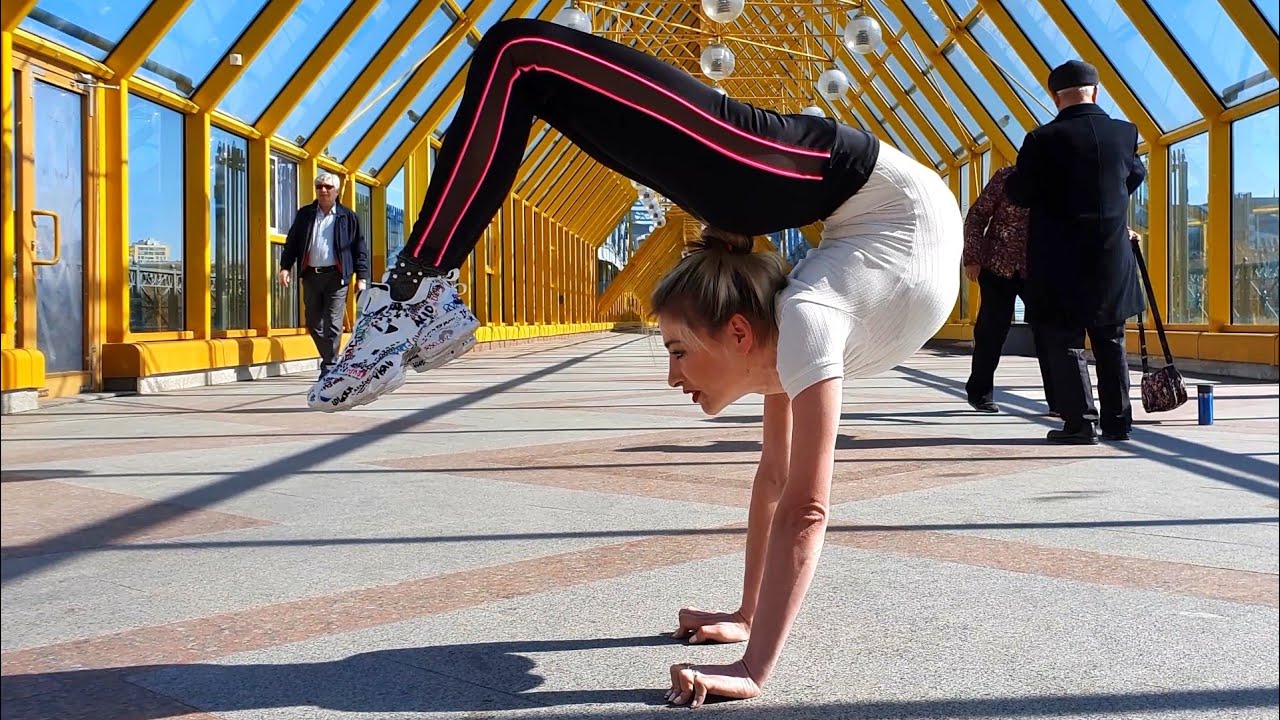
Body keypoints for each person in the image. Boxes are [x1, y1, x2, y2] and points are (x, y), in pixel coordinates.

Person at [308, 18, 961, 705]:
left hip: (829, 182)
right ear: (742, 332)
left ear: (739, 333)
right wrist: (744, 620)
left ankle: (420, 285)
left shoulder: (799, 322)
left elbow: (802, 505)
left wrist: (752, 668)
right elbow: (779, 486)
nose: (672, 375)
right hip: (834, 179)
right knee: (525, 63)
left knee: (522, 59)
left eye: (678, 350)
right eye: (674, 352)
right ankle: (423, 287)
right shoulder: (796, 323)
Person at [1005, 60, 1146, 445]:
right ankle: (1118, 423)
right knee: (1111, 340)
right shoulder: (1124, 133)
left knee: (1064, 340)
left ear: (1055, 97)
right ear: (1096, 91)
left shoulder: (1042, 140)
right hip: (1110, 254)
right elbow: (1135, 175)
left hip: (1060, 258)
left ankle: (1081, 423)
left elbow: (1021, 193)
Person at [962, 166, 1057, 415]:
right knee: (991, 331)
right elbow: (977, 216)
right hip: (997, 265)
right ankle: (979, 392)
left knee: (1048, 333)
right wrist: (972, 257)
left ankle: (1059, 400)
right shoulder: (1005, 177)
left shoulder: (1058, 179)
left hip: (1038, 268)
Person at [278, 171, 371, 378]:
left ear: (336, 191)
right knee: (313, 322)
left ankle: (329, 366)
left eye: (328, 187)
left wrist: (362, 277)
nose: (323, 190)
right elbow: (292, 243)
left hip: (337, 277)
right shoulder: (305, 214)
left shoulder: (348, 217)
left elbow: (359, 248)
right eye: (319, 186)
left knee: (333, 322)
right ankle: (332, 360)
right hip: (311, 275)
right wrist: (285, 267)